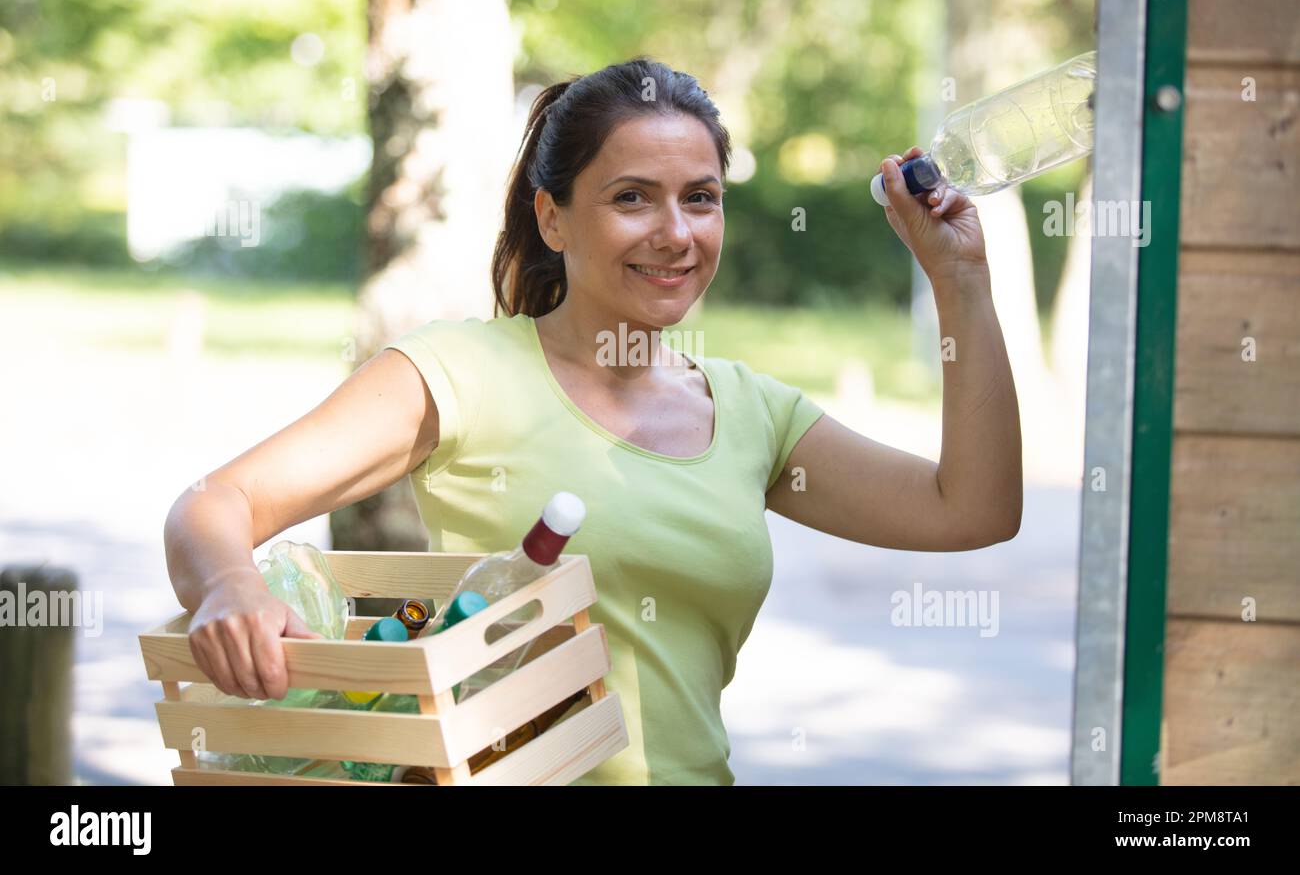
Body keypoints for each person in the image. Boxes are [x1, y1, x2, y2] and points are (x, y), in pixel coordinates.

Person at [163, 56, 1022, 785]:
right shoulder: (461, 373)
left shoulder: (753, 412)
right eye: (633, 198)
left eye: (701, 198)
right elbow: (215, 503)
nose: (676, 232)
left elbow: (971, 508)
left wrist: (960, 282)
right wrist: (228, 586)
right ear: (553, 217)